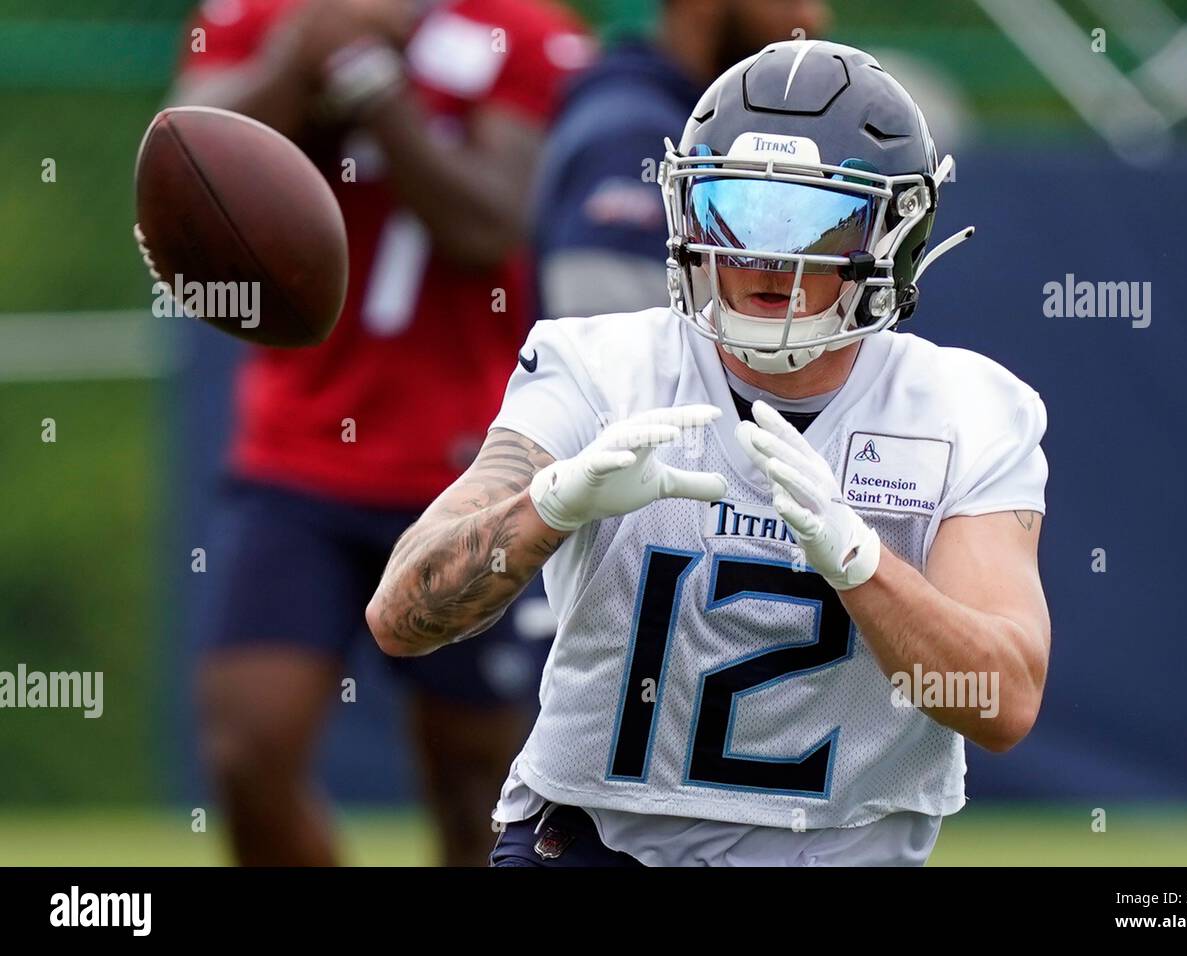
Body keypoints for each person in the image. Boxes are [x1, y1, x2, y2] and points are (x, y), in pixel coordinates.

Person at [367, 40, 1052, 867]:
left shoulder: (966, 408)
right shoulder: (600, 368)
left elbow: (1005, 700)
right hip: (598, 843)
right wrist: (546, 508)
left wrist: (860, 560)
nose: (765, 254)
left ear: (891, 233)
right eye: (734, 208)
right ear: (688, 209)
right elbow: (399, 616)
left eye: (810, 219)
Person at [171, 0, 589, 866]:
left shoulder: (524, 30)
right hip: (298, 450)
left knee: (479, 780)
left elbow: (490, 224)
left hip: (468, 462)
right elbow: (185, 165)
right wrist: (300, 59)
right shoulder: (260, 15)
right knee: (247, 747)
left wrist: (374, 83)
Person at [533, 0, 831, 322]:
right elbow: (608, 356)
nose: (812, 18)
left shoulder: (694, 123)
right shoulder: (632, 139)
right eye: (791, 3)